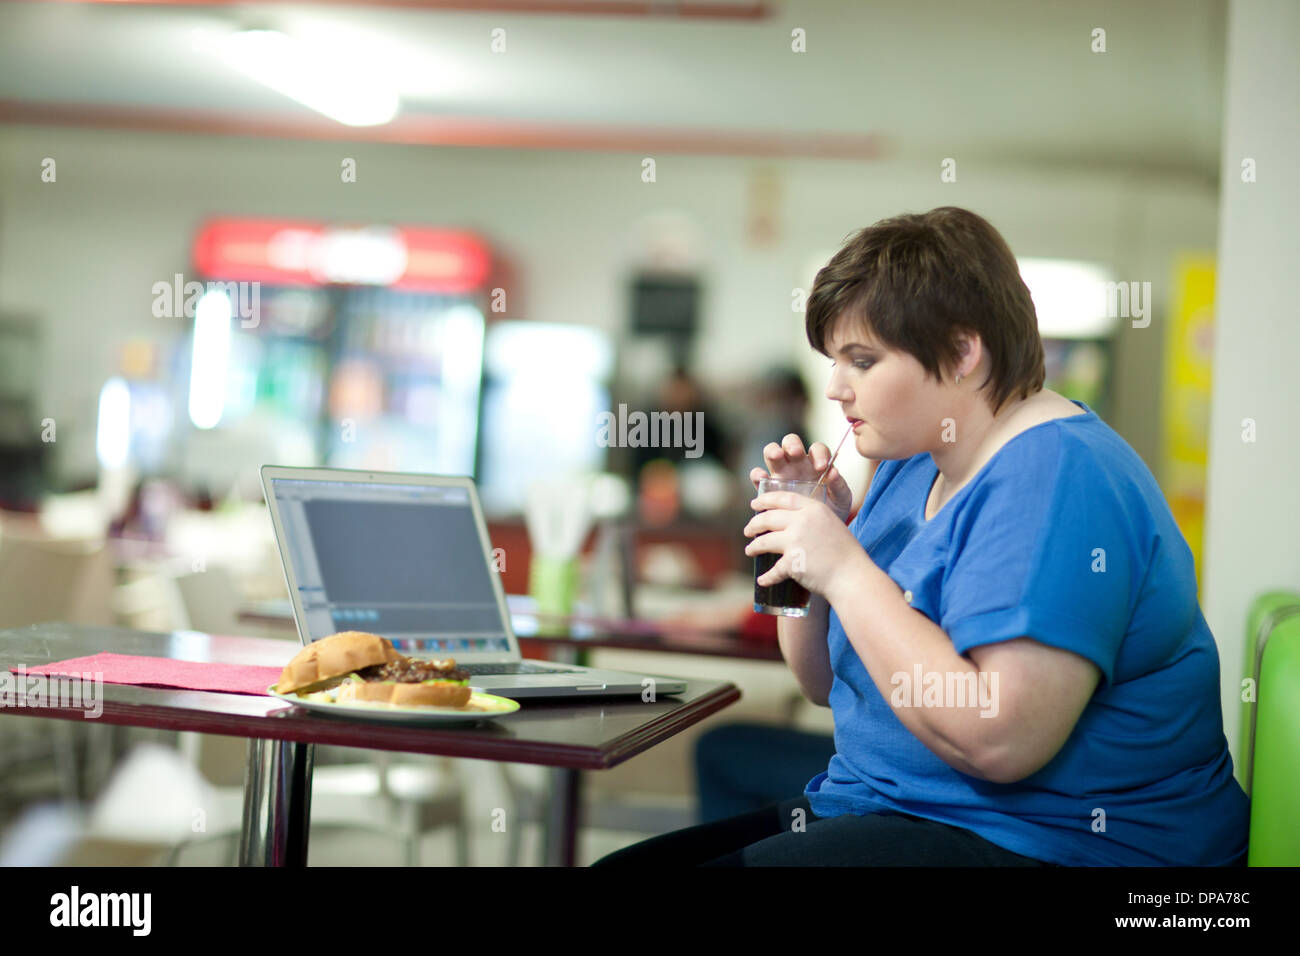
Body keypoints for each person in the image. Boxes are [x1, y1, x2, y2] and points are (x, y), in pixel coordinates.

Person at [591, 206, 1250, 867]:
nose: (836, 388)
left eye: (863, 361)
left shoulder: (1056, 476)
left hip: (1054, 844)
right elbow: (820, 680)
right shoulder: (911, 457)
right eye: (834, 360)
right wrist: (800, 551)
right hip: (900, 806)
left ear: (963, 353)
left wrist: (845, 566)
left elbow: (1001, 742)